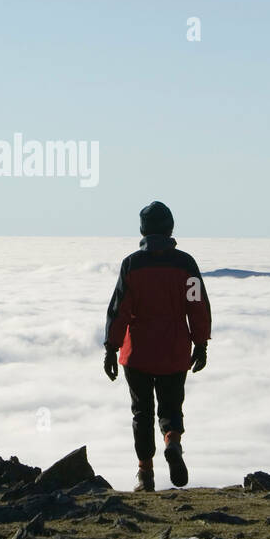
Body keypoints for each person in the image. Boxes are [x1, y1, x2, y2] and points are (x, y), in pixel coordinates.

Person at [103, 201, 211, 491]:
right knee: (171, 406)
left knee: (142, 412)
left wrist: (111, 348)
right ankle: (172, 442)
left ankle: (146, 475)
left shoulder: (132, 264)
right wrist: (200, 344)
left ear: (143, 230)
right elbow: (197, 305)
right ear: (170, 227)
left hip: (137, 352)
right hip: (174, 351)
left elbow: (119, 309)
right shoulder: (185, 264)